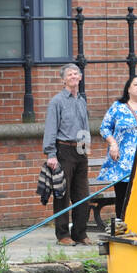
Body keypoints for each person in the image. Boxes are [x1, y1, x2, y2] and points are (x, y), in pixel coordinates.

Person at [96, 74, 137, 221]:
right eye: (136, 84)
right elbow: (104, 128)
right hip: (123, 161)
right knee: (123, 196)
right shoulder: (118, 107)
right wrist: (113, 143)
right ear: (128, 89)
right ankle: (123, 226)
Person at [43, 63, 91, 246]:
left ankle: (80, 233)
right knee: (62, 194)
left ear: (80, 77)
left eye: (76, 73)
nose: (73, 76)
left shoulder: (81, 100)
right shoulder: (57, 101)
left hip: (80, 150)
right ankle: (63, 235)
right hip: (63, 151)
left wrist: (85, 149)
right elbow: (50, 128)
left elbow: (85, 126)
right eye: (69, 74)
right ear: (63, 79)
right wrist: (51, 154)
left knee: (82, 195)